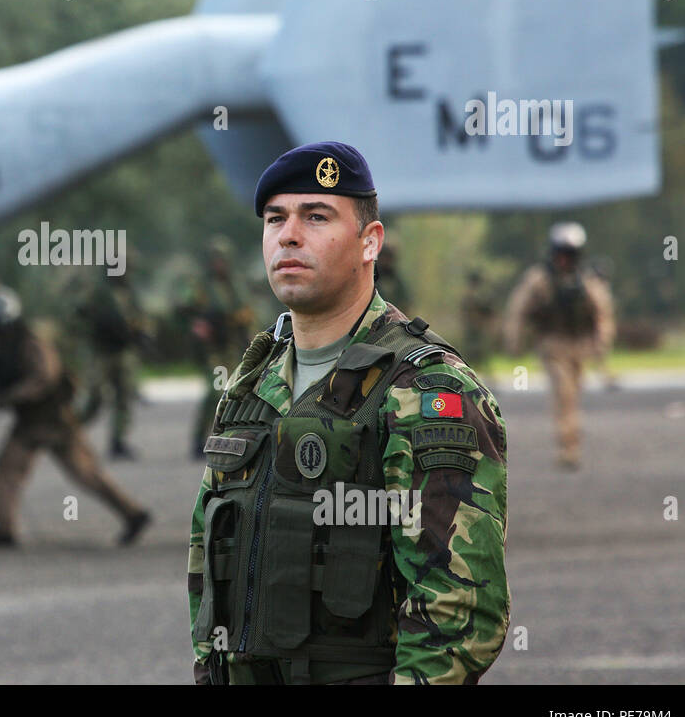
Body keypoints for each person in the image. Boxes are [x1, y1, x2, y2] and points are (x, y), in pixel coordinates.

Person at [188, 141, 509, 685]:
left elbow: (459, 615)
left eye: (316, 217)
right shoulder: (252, 384)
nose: (289, 234)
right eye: (275, 218)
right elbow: (207, 561)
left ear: (370, 243)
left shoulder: (424, 389)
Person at [0, 285, 151, 548]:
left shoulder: (28, 341)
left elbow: (45, 376)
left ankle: (134, 513)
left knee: (86, 474)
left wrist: (13, 395)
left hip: (52, 420)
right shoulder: (7, 343)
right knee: (8, 468)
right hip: (32, 422)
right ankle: (4, 529)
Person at [502, 222, 616, 469]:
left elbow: (602, 315)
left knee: (573, 395)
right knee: (564, 394)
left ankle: (571, 441)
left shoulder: (586, 282)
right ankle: (568, 447)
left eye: (569, 254)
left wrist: (600, 345)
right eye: (560, 254)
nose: (564, 259)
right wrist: (514, 340)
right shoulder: (540, 280)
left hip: (579, 346)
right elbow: (518, 309)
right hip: (552, 345)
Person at [182, 236, 254, 459]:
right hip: (212, 349)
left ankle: (228, 439)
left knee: (236, 392)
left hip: (232, 346)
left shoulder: (235, 285)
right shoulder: (200, 286)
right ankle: (199, 440)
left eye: (222, 259)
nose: (218, 264)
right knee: (216, 391)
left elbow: (247, 313)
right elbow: (183, 310)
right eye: (215, 259)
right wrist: (196, 325)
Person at [73, 271, 152, 459]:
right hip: (101, 351)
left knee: (124, 397)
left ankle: (118, 441)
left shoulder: (129, 292)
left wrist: (141, 332)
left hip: (123, 351)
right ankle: (68, 432)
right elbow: (79, 313)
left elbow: (139, 316)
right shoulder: (98, 291)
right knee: (95, 397)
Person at [459, 269, 497, 370]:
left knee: (478, 351)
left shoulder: (474, 294)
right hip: (473, 326)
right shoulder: (473, 295)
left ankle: (477, 371)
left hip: (477, 326)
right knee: (473, 350)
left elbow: (487, 309)